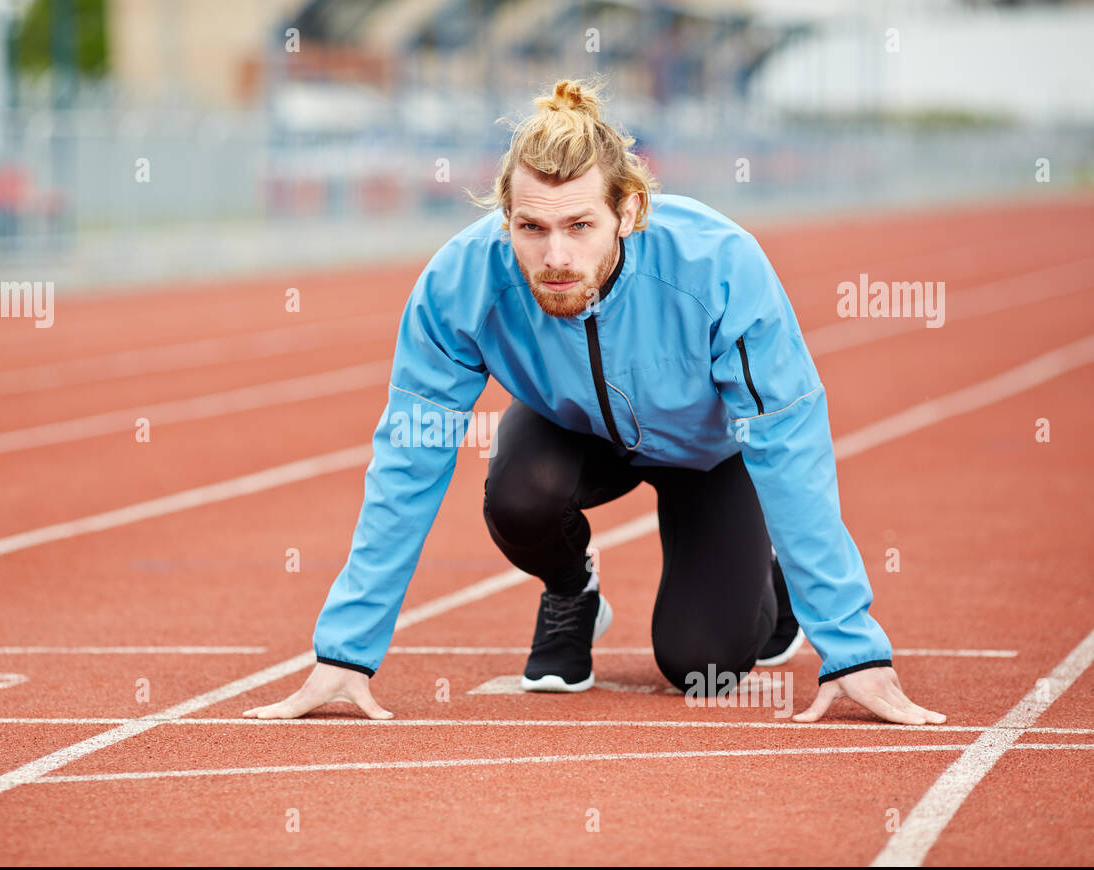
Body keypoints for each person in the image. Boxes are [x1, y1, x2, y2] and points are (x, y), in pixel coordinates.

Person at [245, 77, 945, 726]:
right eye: (531, 228)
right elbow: (409, 457)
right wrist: (344, 651)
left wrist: (851, 648)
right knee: (518, 495)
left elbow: (788, 441)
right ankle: (573, 595)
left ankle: (775, 583)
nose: (555, 257)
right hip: (573, 431)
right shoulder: (459, 285)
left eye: (579, 226)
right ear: (505, 216)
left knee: (700, 665)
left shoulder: (720, 265)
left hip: (711, 455)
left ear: (628, 210)